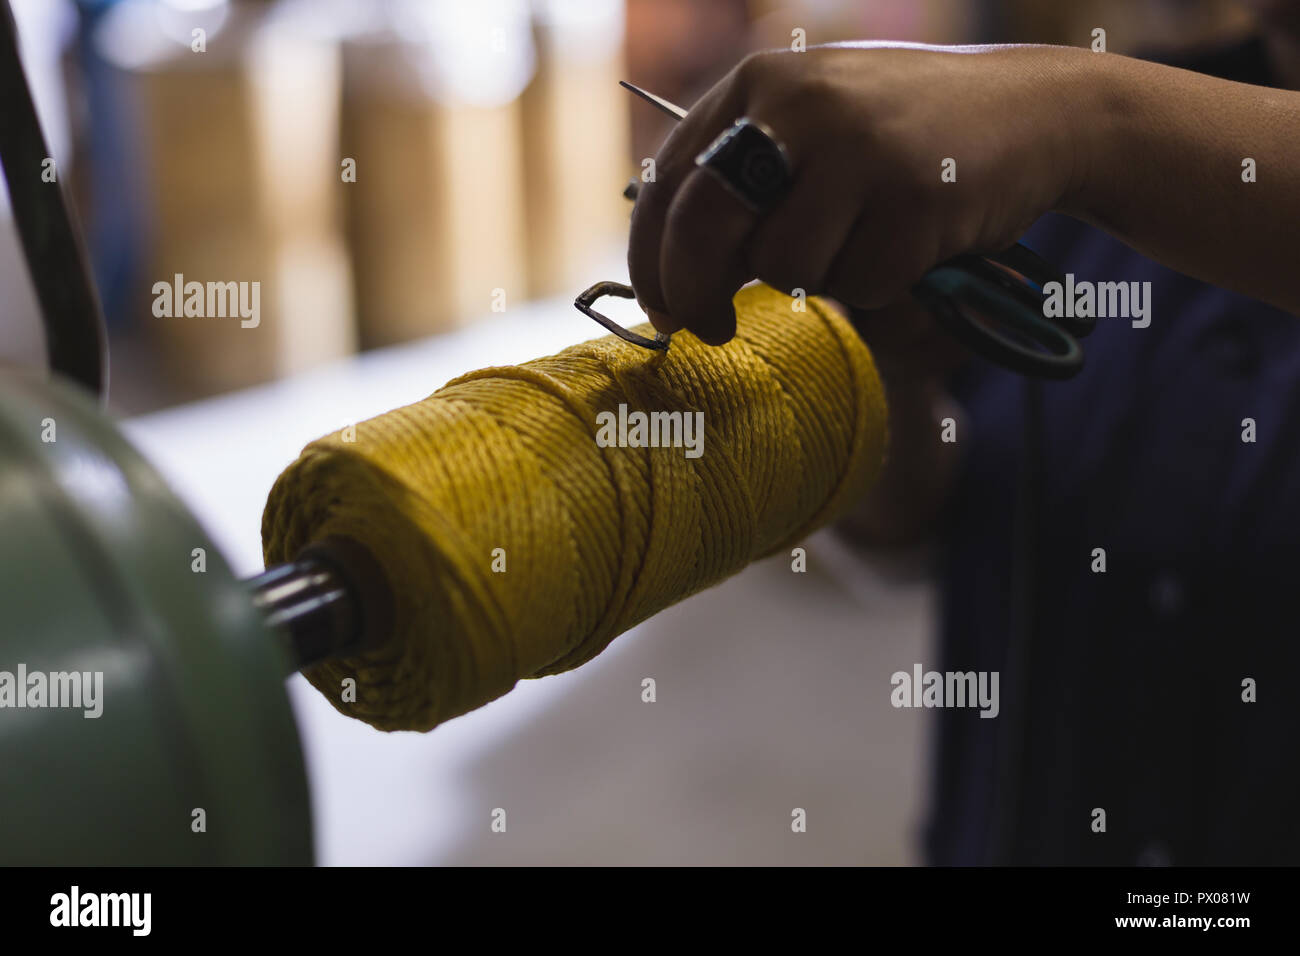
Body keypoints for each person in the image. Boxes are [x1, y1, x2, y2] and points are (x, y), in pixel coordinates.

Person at [626, 8, 1300, 864]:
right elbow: (919, 517)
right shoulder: (1085, 174)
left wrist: (1082, 121)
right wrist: (888, 379)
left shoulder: (1098, 138)